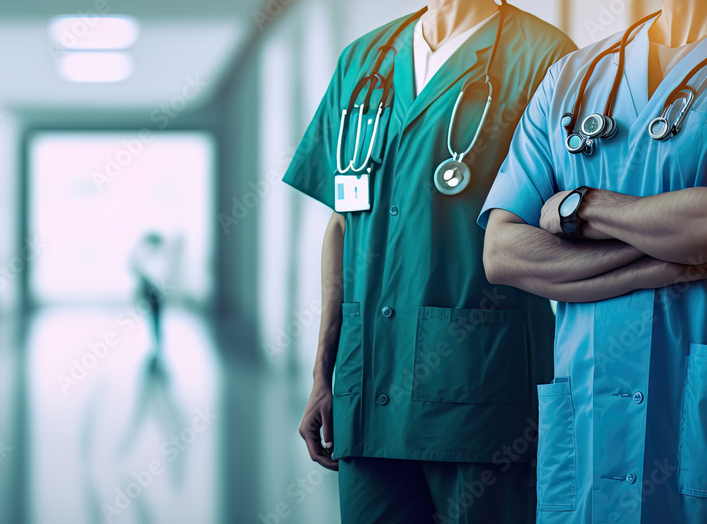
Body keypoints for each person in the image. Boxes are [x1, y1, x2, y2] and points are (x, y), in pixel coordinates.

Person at [282, 1, 575, 522]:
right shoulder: (364, 60)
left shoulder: (545, 58)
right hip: (367, 392)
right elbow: (343, 224)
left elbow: (566, 222)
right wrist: (323, 373)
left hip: (481, 393)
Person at [479, 2, 707, 522]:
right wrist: (657, 260)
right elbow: (502, 251)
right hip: (587, 423)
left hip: (687, 414)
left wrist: (584, 206)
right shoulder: (573, 76)